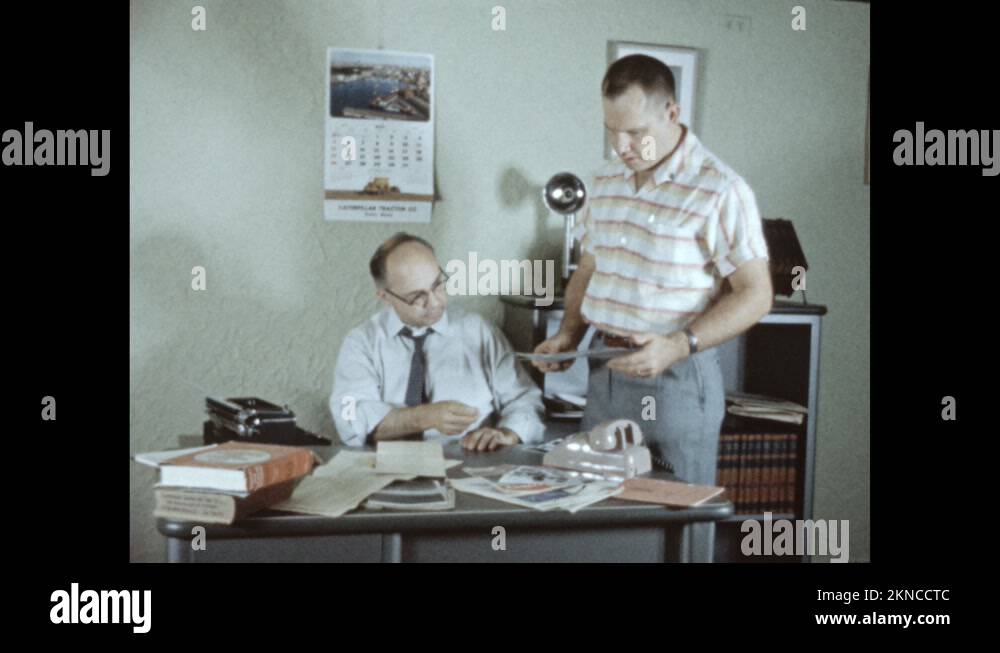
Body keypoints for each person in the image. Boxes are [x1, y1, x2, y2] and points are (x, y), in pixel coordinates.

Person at [533, 55, 773, 558]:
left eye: (635, 132)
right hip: (605, 370)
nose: (622, 147)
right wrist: (569, 336)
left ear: (672, 113)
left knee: (677, 525)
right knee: (595, 514)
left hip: (679, 379)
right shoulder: (605, 181)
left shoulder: (719, 188)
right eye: (611, 132)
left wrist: (678, 344)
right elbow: (589, 270)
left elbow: (756, 293)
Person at [331, 233, 545, 451]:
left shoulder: (479, 332)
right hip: (385, 469)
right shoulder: (361, 343)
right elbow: (349, 417)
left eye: (437, 285)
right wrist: (425, 417)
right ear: (385, 296)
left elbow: (525, 400)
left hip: (468, 465)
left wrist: (507, 433)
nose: (434, 302)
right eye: (416, 297)